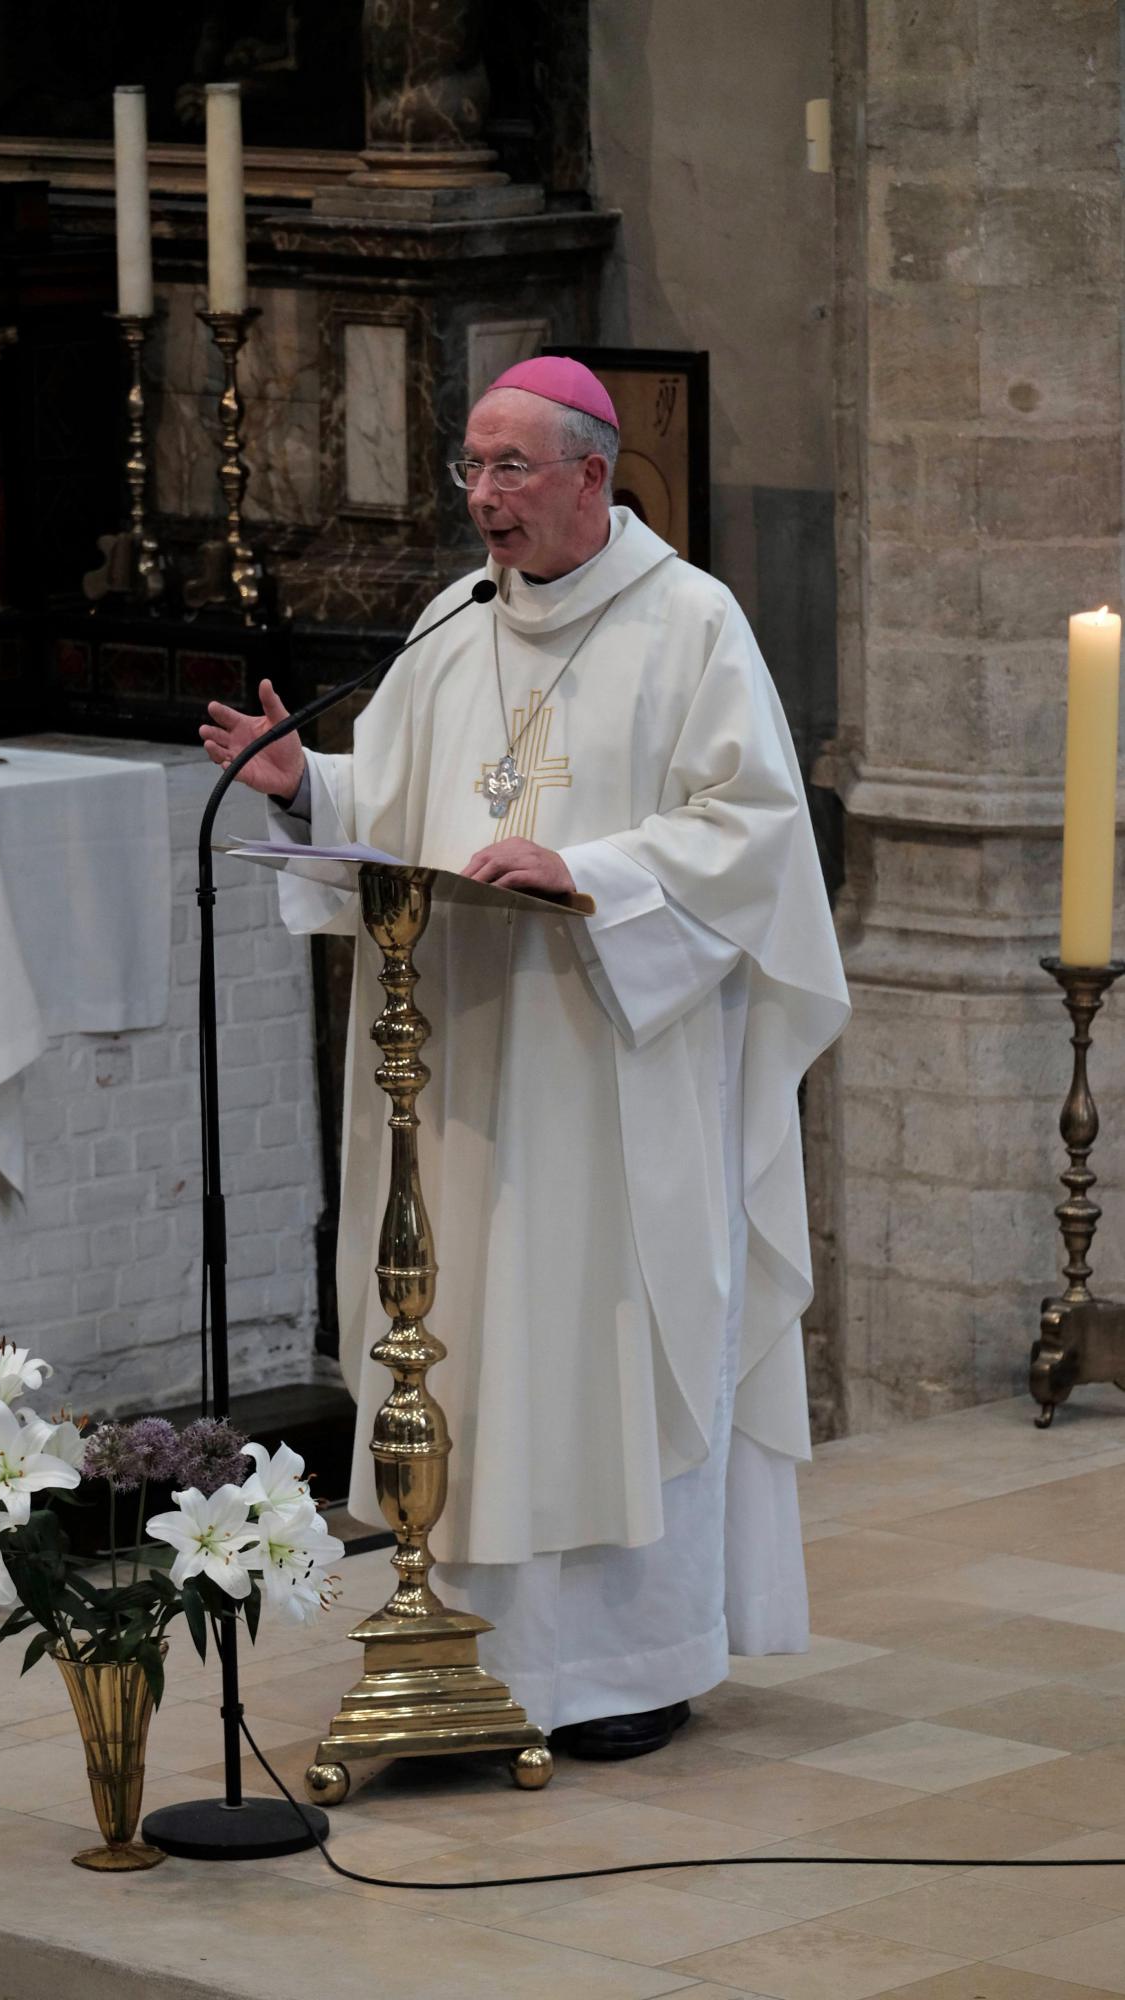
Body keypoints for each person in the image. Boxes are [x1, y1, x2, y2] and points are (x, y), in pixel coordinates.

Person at [199, 356, 849, 1760]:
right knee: (477, 1346)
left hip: (609, 1065)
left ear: (588, 477)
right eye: (470, 469)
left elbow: (752, 829)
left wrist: (588, 870)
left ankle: (628, 1666)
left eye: (509, 469)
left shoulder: (690, 622)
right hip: (468, 1061)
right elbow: (411, 798)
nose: (483, 499)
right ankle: (475, 1651)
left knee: (599, 1340)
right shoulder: (447, 624)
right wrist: (310, 785)